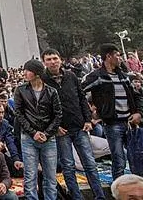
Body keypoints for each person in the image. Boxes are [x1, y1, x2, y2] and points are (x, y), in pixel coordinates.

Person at [41, 48, 105, 200]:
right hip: (61, 131)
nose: (52, 62)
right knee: (68, 167)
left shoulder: (71, 76)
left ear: (60, 60)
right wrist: (54, 127)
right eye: (48, 59)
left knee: (90, 164)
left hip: (80, 127)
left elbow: (82, 99)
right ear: (44, 62)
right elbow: (42, 108)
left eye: (55, 58)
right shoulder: (43, 80)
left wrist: (88, 120)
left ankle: (99, 196)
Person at [83, 43, 142, 180]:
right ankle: (119, 187)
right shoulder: (97, 76)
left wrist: (138, 112)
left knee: (136, 156)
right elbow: (80, 93)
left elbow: (137, 95)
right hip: (112, 123)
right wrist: (91, 110)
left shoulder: (124, 76)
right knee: (119, 159)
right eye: (117, 55)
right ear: (108, 56)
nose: (120, 58)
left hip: (130, 122)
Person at [13, 59, 62, 200]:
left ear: (36, 73)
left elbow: (58, 115)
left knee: (50, 178)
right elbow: (19, 114)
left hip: (49, 138)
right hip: (29, 138)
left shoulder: (52, 91)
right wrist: (33, 132)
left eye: (28, 70)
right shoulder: (21, 90)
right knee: (30, 177)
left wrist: (46, 133)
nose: (25, 73)